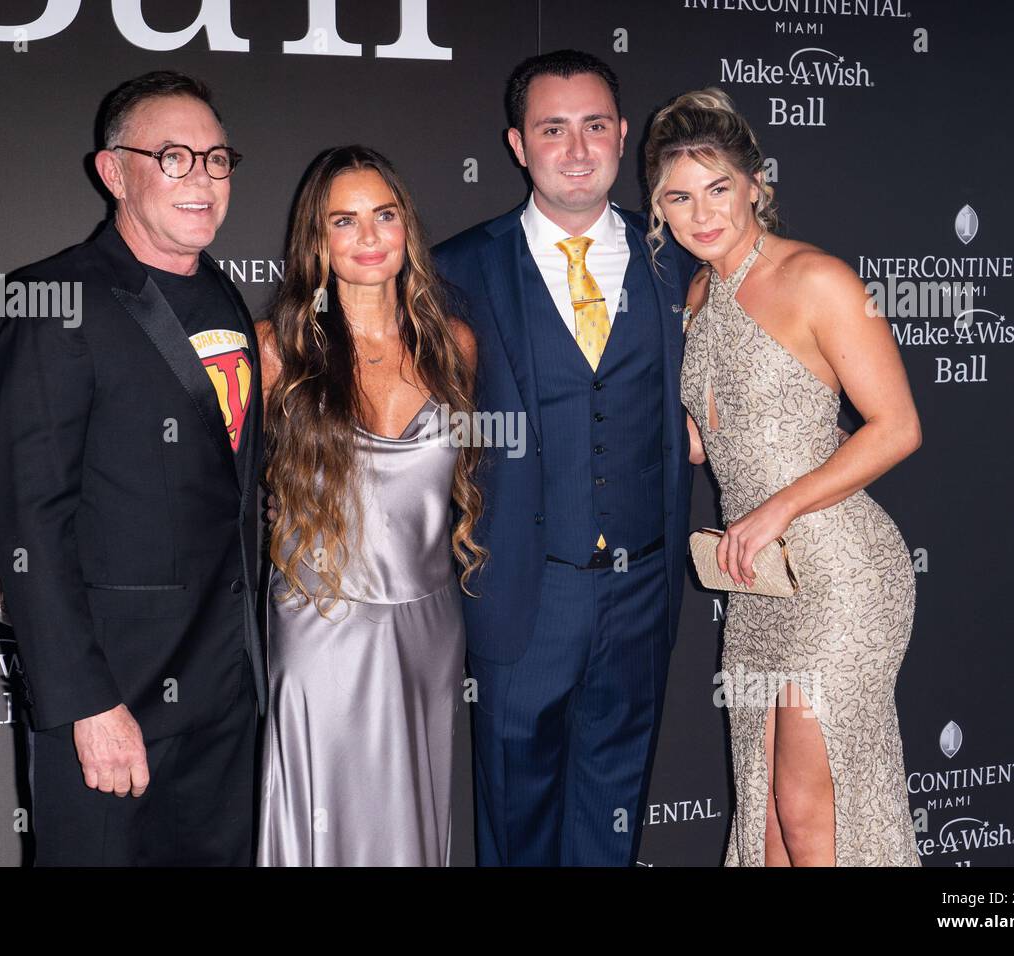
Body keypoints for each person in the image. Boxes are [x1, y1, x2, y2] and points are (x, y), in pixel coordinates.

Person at [0, 71, 265, 865]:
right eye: (173, 157)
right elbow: (30, 520)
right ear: (114, 172)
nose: (201, 179)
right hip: (116, 702)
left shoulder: (223, 292)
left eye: (216, 159)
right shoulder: (47, 301)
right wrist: (88, 705)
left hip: (229, 697)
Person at [432, 50, 697, 866]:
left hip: (642, 597)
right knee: (517, 828)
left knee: (615, 817)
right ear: (518, 144)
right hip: (520, 596)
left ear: (622, 136)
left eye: (594, 126)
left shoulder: (682, 262)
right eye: (553, 129)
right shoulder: (453, 271)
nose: (577, 149)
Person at [650, 87, 922, 866]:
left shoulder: (819, 279)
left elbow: (898, 427)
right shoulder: (697, 295)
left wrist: (777, 510)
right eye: (678, 197)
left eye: (717, 189)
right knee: (766, 816)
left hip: (840, 572)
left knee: (809, 811)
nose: (701, 213)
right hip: (761, 585)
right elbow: (704, 444)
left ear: (755, 183)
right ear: (659, 209)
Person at [254, 145, 481, 866]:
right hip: (322, 624)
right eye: (344, 222)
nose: (370, 237)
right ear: (315, 241)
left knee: (412, 824)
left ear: (406, 227)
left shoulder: (454, 346)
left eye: (384, 215)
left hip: (430, 627)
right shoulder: (276, 352)